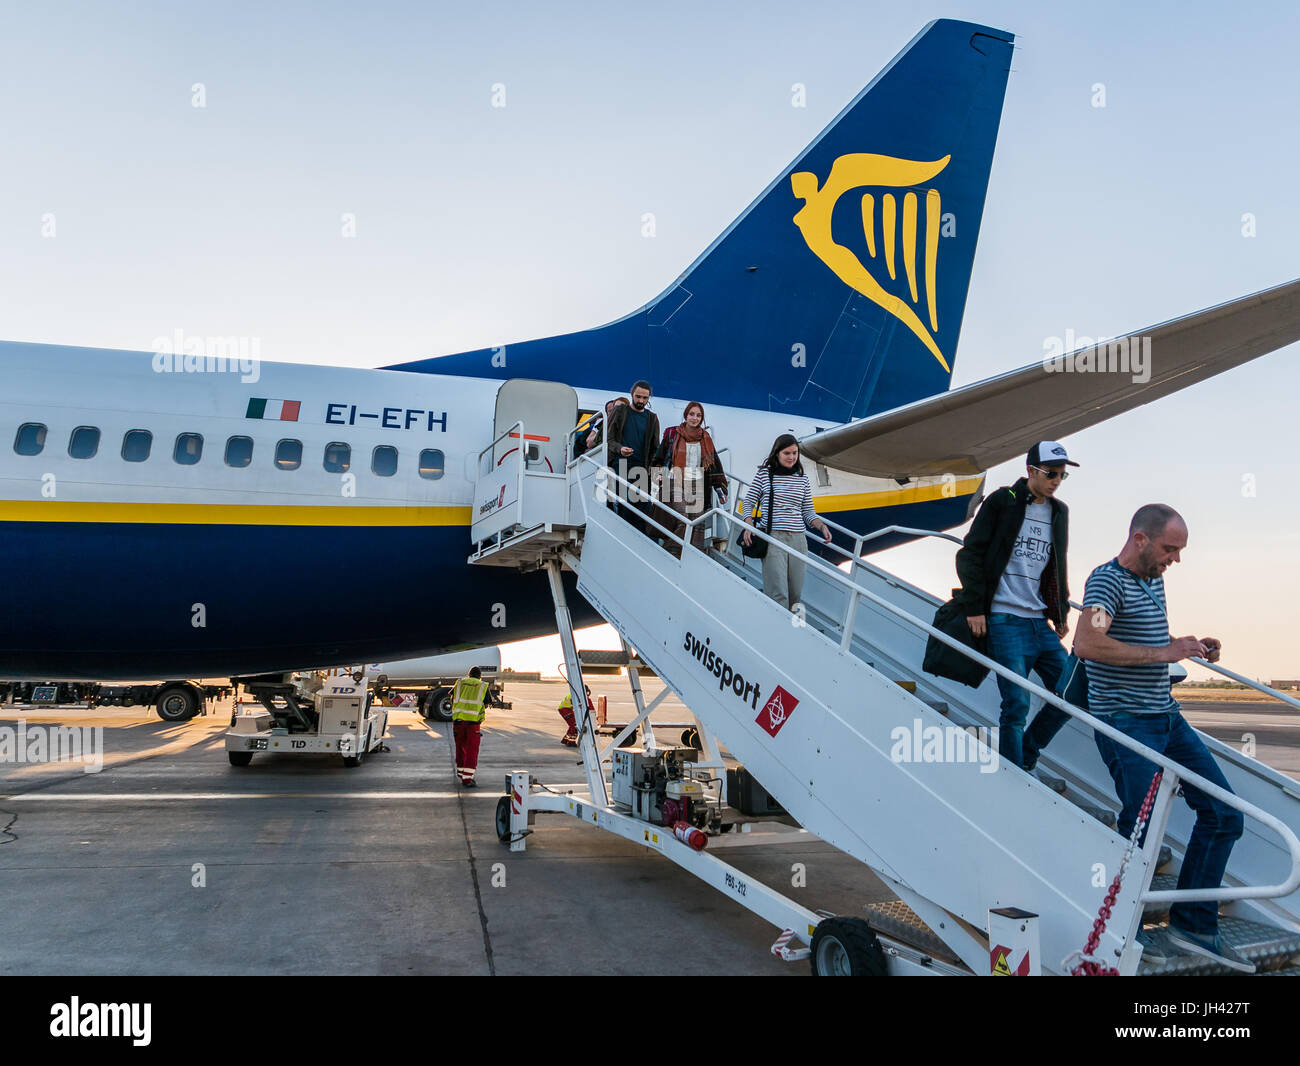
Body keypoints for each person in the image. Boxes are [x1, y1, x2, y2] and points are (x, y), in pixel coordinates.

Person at [1073, 504, 1250, 972]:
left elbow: (1145, 640)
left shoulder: (1153, 579)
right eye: (1170, 548)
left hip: (1166, 718)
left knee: (1224, 814)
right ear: (1140, 539)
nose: (1176, 559)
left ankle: (1193, 924)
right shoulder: (1106, 580)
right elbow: (1088, 644)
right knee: (1142, 827)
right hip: (1127, 722)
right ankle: (1117, 931)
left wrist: (1189, 644)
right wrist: (1165, 651)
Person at [954, 441, 1077, 773]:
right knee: (1016, 704)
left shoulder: (1059, 512)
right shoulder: (1002, 502)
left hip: (1040, 622)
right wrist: (975, 608)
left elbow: (1056, 565)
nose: (1056, 481)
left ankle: (1026, 750)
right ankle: (1012, 776)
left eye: (1063, 475)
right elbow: (970, 555)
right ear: (1031, 471)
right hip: (1004, 620)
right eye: (1051, 474)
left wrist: (1060, 611)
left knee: (1073, 692)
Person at [741, 434, 832, 611]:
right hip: (774, 538)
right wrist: (748, 523)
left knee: (795, 595)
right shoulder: (764, 474)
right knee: (778, 593)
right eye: (787, 453)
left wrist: (821, 526)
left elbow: (807, 511)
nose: (791, 457)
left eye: (795, 453)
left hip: (798, 540)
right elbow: (748, 502)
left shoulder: (802, 479)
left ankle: (790, 633)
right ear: (777, 454)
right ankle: (776, 633)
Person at [653, 401, 727, 557]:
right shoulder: (672, 434)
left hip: (698, 484)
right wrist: (659, 473)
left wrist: (720, 489)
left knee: (697, 524)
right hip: (675, 481)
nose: (695, 418)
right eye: (692, 414)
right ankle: (669, 552)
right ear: (686, 415)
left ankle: (691, 557)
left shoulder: (705, 438)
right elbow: (659, 457)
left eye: (698, 415)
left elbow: (714, 465)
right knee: (684, 519)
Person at [605, 381, 660, 534]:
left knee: (642, 509)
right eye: (638, 397)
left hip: (642, 468)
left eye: (645, 398)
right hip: (620, 464)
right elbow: (608, 439)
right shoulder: (620, 411)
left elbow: (656, 448)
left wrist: (656, 471)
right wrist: (620, 448)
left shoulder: (652, 419)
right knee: (624, 507)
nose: (641, 401)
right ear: (631, 394)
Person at [450, 666, 490, 787]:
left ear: (469, 675)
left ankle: (461, 773)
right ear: (479, 676)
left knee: (460, 748)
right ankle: (467, 779)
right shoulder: (482, 686)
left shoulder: (460, 683)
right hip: (473, 724)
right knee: (471, 751)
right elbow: (486, 703)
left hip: (458, 722)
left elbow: (452, 698)